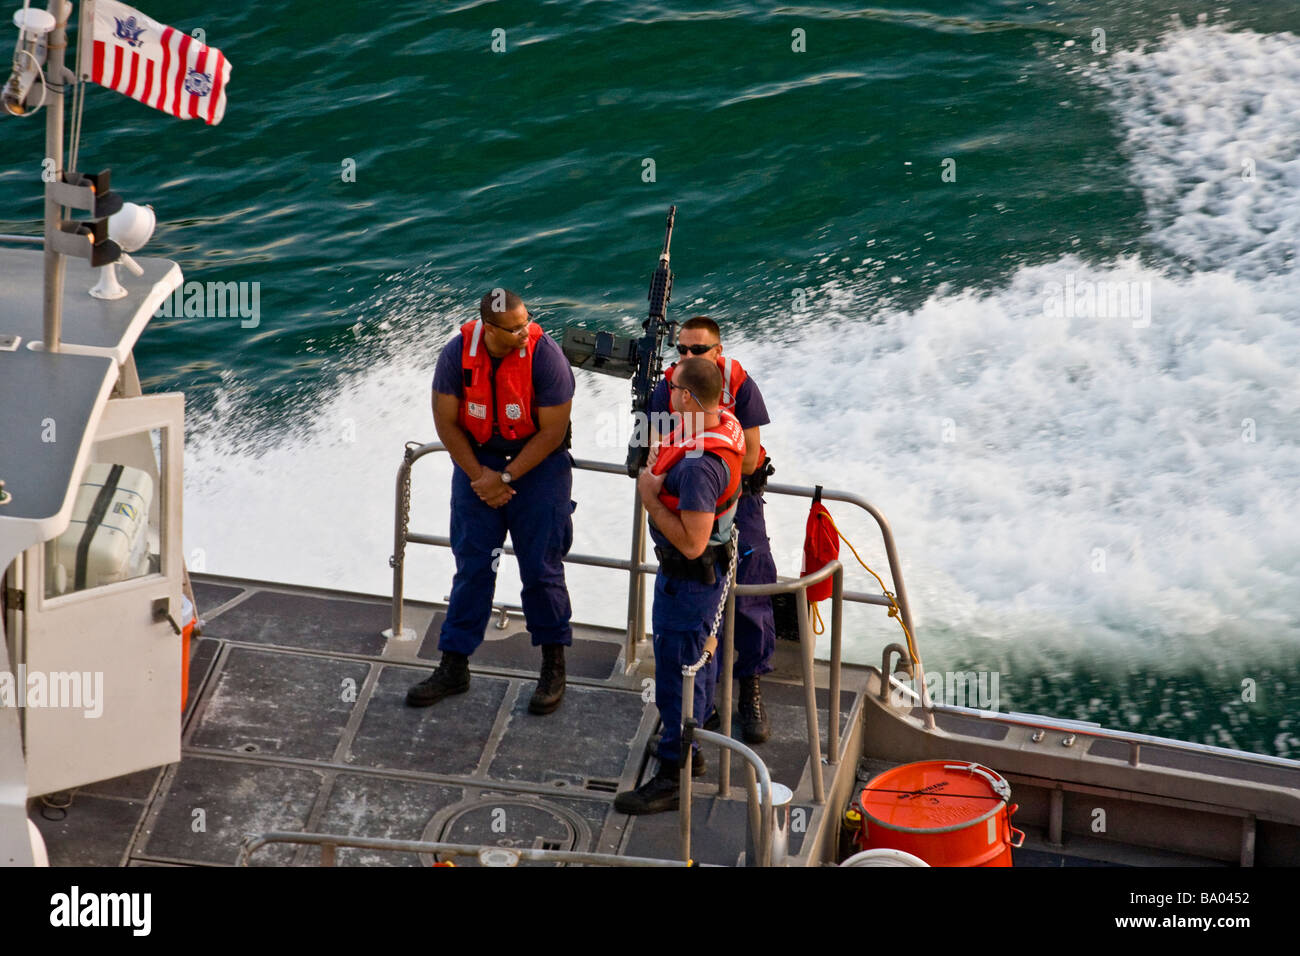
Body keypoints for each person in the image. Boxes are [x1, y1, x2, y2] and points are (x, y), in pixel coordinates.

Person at [406, 288, 575, 714]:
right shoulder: (456, 354)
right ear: (489, 328)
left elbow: (553, 431)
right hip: (477, 465)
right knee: (472, 568)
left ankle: (553, 665)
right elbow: (445, 422)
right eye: (514, 328)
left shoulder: (546, 356)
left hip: (538, 468)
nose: (525, 332)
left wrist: (505, 477)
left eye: (526, 322)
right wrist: (481, 476)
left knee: (541, 570)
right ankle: (454, 665)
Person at [614, 358, 745, 814]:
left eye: (672, 389)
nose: (666, 395)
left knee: (678, 674)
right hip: (711, 581)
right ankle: (693, 739)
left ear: (687, 398)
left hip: (688, 585)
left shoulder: (697, 470)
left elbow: (691, 543)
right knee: (700, 664)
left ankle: (674, 772)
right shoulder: (725, 422)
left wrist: (650, 496)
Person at [647, 316, 776, 743]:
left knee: (752, 591)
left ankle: (751, 684)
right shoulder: (668, 387)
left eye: (697, 350)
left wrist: (700, 481)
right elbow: (652, 445)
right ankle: (705, 705)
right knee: (706, 613)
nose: (686, 356)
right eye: (681, 349)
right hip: (696, 500)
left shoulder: (739, 385)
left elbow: (752, 458)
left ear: (717, 352)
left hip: (731, 499)